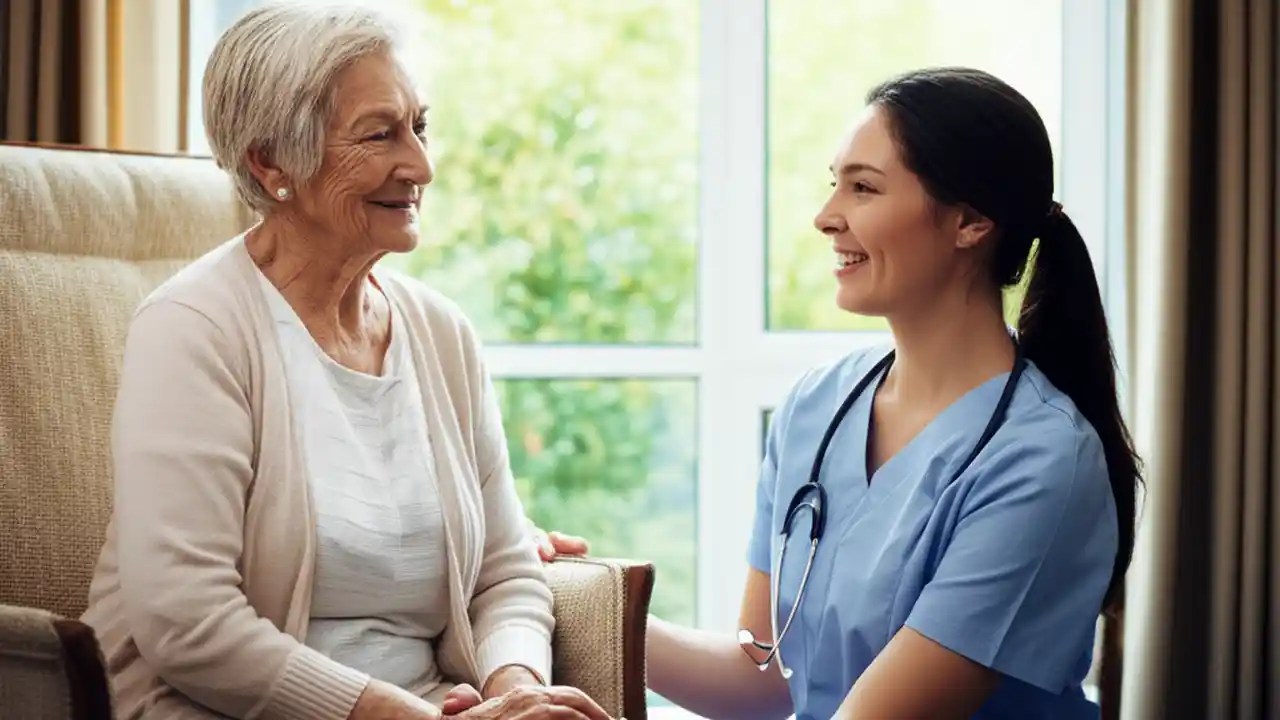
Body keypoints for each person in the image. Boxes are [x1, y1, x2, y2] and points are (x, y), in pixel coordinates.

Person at [550, 67, 1141, 719]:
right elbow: (765, 679)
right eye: (835, 185)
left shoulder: (1042, 462)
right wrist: (560, 592)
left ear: (970, 221)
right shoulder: (816, 406)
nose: (826, 217)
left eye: (863, 188)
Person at [81, 4, 611, 719]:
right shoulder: (194, 330)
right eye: (379, 135)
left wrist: (516, 692)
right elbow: (188, 621)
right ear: (272, 164)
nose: (420, 165)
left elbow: (503, 571)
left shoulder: (441, 333)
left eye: (419, 127)